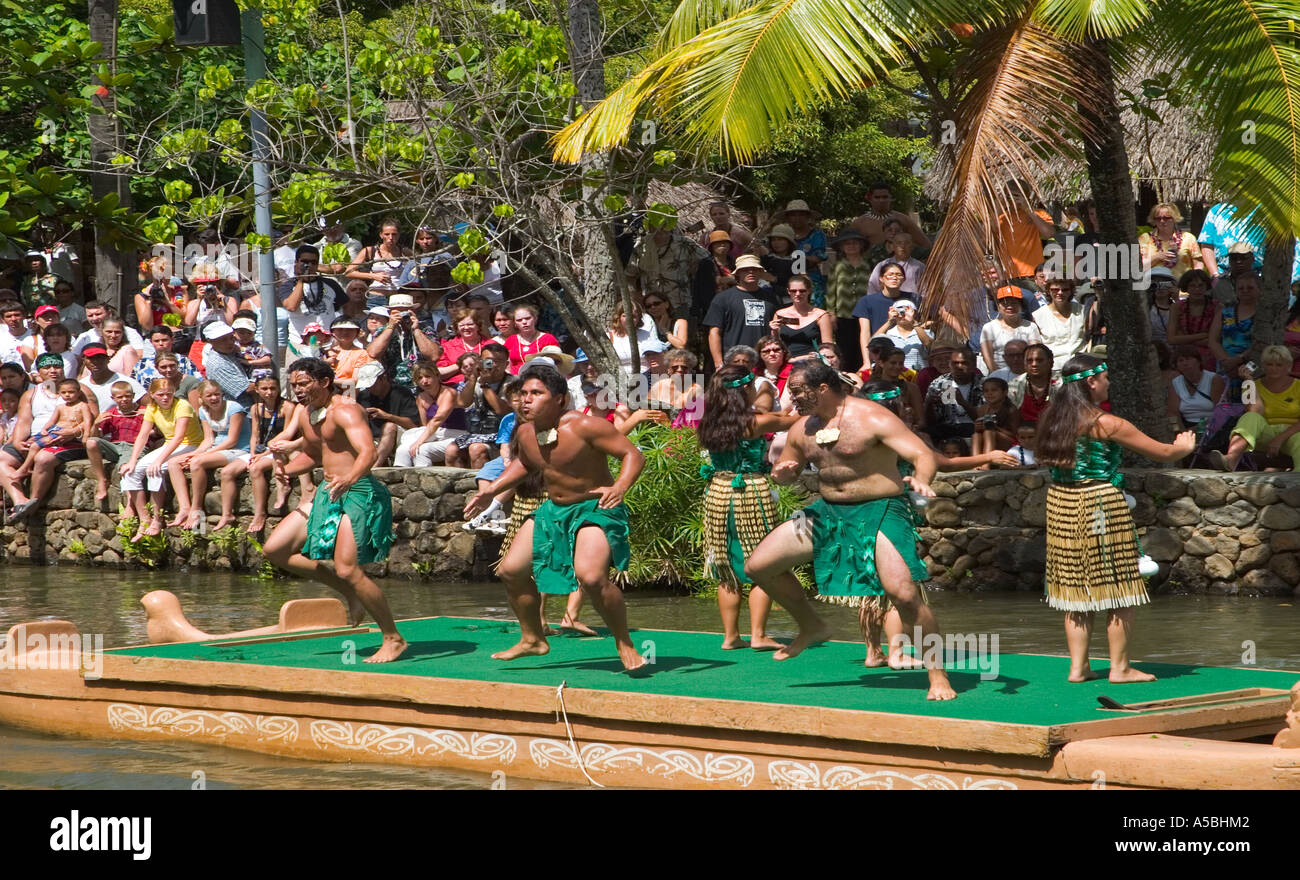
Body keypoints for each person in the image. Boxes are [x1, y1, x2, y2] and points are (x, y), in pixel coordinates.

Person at [743, 360, 956, 700]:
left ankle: (938, 675)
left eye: (798, 391)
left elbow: (921, 453)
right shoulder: (802, 428)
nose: (791, 398)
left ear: (823, 388)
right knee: (758, 565)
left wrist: (922, 478)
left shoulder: (872, 417)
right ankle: (812, 625)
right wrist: (784, 474)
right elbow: (791, 466)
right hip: (826, 512)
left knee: (903, 595)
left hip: (880, 510)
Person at [463, 364, 648, 672]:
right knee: (511, 571)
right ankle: (533, 638)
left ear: (560, 399)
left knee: (590, 576)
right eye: (523, 393)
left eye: (536, 393)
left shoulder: (584, 425)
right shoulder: (525, 431)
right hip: (552, 510)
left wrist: (620, 486)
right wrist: (491, 491)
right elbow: (526, 463)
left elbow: (633, 455)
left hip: (593, 507)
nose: (526, 400)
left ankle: (624, 643)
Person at [1038, 355, 1194, 683]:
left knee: (1075, 588)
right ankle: (1120, 668)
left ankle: (1078, 668)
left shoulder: (1053, 419)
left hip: (1062, 504)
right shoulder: (1105, 422)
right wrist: (1183, 447)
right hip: (1099, 504)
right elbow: (1163, 453)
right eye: (1106, 376)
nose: (1109, 382)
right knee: (1119, 586)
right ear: (1091, 382)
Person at [263, 357, 407, 662]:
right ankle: (349, 591)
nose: (297, 390)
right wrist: (287, 469)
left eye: (303, 384)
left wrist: (349, 477)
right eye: (294, 385)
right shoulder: (307, 413)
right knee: (275, 549)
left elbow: (368, 451)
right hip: (329, 493)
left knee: (348, 568)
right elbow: (315, 456)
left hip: (357, 492)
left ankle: (393, 638)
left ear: (324, 382)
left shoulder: (346, 410)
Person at [697, 365, 800, 649]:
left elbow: (775, 415)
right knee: (762, 563)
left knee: (728, 567)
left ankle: (730, 636)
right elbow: (793, 420)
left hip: (717, 493)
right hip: (750, 493)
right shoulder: (755, 423)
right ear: (744, 390)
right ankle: (757, 635)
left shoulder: (709, 421)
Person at [118, 377, 204, 540]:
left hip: (191, 444)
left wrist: (159, 460)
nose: (165, 398)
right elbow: (143, 435)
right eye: (161, 394)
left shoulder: (182, 405)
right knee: (131, 472)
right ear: (152, 395)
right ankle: (144, 520)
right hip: (170, 445)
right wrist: (133, 460)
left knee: (155, 470)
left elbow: (179, 437)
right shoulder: (152, 407)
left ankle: (157, 519)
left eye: (169, 394)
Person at [168, 379, 251, 529]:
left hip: (238, 449)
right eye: (209, 396)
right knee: (174, 463)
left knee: (197, 463)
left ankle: (196, 508)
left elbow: (232, 440)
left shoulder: (234, 409)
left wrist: (201, 456)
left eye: (217, 394)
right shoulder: (203, 410)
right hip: (216, 447)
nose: (214, 398)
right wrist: (197, 452)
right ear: (201, 397)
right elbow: (208, 439)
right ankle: (184, 507)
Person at [1212, 346, 1300, 471]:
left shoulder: (1298, 386)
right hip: (1265, 433)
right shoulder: (1250, 385)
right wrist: (1249, 381)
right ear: (1263, 366)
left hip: (1293, 434)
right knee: (1250, 416)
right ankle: (1231, 459)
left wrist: (1279, 439)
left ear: (1288, 366)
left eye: (1279, 365)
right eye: (1269, 364)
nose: (1274, 368)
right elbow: (1255, 411)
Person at [10, 379, 92, 480]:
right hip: (54, 429)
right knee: (29, 443)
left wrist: (86, 435)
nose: (67, 395)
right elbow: (52, 421)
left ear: (78, 393)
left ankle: (24, 469)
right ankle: (31, 467)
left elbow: (88, 421)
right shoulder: (60, 407)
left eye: (71, 392)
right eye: (64, 392)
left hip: (63, 432)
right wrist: (44, 429)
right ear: (59, 393)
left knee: (35, 446)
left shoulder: (83, 406)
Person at [446, 347, 510, 468]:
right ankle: (457, 485)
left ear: (506, 364)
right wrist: (473, 378)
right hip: (478, 432)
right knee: (451, 451)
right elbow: (463, 403)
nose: (494, 365)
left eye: (499, 361)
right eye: (489, 361)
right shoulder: (476, 381)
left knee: (476, 449)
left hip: (502, 435)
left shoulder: (513, 382)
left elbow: (501, 410)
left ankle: (477, 485)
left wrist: (485, 384)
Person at [368, 293, 442, 391]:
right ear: (389, 313)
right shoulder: (382, 331)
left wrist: (416, 330)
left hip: (422, 388)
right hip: (394, 389)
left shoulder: (425, 329)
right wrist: (391, 326)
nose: (402, 316)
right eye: (398, 312)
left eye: (405, 312)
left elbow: (434, 356)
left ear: (413, 311)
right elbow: (373, 353)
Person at [354, 361, 419, 466]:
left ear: (383, 378)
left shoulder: (402, 393)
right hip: (373, 440)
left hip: (401, 438)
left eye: (373, 384)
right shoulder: (364, 396)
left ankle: (373, 468)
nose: (370, 388)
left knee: (390, 426)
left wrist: (386, 416)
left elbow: (413, 425)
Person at [825, 229, 873, 371]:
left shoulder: (869, 265)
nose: (851, 246)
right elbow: (831, 291)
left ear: (861, 246)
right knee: (845, 350)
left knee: (863, 347)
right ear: (841, 247)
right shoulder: (837, 266)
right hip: (843, 315)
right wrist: (831, 313)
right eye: (847, 243)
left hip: (865, 315)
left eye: (855, 243)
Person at [923, 348, 982, 443]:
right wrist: (929, 403)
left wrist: (963, 403)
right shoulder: (939, 383)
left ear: (973, 365)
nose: (959, 367)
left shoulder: (982, 384)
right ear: (950, 365)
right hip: (947, 429)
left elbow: (982, 418)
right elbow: (930, 422)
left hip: (974, 428)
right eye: (955, 363)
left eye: (964, 363)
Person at [347, 219, 412, 304]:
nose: (390, 238)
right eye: (387, 234)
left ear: (399, 235)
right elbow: (349, 272)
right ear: (381, 235)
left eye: (394, 234)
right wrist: (373, 276)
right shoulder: (370, 251)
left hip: (397, 297)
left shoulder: (405, 252)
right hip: (376, 297)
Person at [776, 200, 828, 307]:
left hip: (811, 278)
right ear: (788, 217)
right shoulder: (781, 234)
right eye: (793, 215)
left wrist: (797, 260)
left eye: (801, 215)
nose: (797, 218)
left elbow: (818, 256)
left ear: (808, 217)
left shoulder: (817, 234)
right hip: (784, 279)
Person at [980, 286, 1042, 374]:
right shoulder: (989, 328)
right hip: (998, 375)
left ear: (1021, 305)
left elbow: (1035, 352)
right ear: (998, 306)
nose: (1010, 306)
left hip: (1026, 374)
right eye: (1005, 303)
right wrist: (999, 375)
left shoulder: (1031, 327)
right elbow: (987, 357)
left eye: (1014, 303)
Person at [768, 274, 832, 358]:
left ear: (809, 291)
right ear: (788, 291)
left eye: (802, 291)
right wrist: (775, 332)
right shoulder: (780, 314)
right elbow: (775, 345)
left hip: (812, 362)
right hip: (786, 362)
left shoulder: (821, 315)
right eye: (793, 291)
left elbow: (828, 347)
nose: (797, 294)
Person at [850, 183, 929, 249]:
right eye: (877, 197)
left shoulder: (903, 220)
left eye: (885, 197)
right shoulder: (859, 223)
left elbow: (926, 245)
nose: (881, 200)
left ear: (891, 198)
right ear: (870, 198)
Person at [1032, 276, 1088, 368]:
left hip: (1080, 366)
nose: (1060, 293)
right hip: (1053, 367)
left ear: (1071, 291)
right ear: (1048, 291)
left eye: (1065, 289)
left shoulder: (1082, 310)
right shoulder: (1038, 315)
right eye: (1055, 289)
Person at [1167, 269, 1218, 370]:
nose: (1197, 289)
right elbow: (1171, 339)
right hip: (1183, 356)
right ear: (1186, 287)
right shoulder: (1177, 307)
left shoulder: (1216, 306)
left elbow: (1214, 340)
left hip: (1210, 357)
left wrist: (1184, 338)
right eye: (1192, 286)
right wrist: (1202, 336)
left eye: (1201, 285)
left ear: (1206, 287)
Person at [1167, 344, 1223, 430]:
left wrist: (1197, 429)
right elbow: (1173, 413)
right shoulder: (1175, 382)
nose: (1185, 363)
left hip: (1212, 425)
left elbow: (1220, 411)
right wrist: (1179, 432)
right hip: (1186, 426)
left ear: (1199, 361)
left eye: (1188, 359)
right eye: (1181, 360)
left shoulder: (1213, 379)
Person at [1138, 203, 1202, 279]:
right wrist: (1157, 257)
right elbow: (1137, 269)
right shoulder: (1144, 238)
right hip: (1154, 287)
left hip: (1183, 288)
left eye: (1166, 218)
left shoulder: (1188, 238)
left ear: (1175, 218)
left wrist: (1195, 282)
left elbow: (1198, 264)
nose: (1162, 221)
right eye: (1158, 218)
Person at [199, 322, 255, 407]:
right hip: (241, 412)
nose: (230, 342)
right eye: (223, 340)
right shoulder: (217, 365)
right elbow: (247, 389)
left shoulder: (229, 352)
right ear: (211, 341)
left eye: (231, 338)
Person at [434, 308, 488, 385]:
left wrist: (479, 364)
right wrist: (460, 365)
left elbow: (495, 365)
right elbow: (439, 373)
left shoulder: (490, 344)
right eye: (462, 325)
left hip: (483, 385)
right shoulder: (448, 346)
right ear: (457, 328)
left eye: (470, 324)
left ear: (478, 325)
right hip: (456, 388)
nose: (466, 328)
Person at [875, 298, 931, 370]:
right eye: (899, 311)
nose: (902, 314)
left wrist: (913, 322)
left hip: (919, 376)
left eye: (906, 311)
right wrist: (889, 321)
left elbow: (928, 344)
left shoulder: (925, 332)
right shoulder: (888, 334)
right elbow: (873, 343)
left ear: (915, 313)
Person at [502, 304, 558, 374]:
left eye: (528, 318)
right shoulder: (511, 340)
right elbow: (505, 363)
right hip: (516, 381)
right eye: (519, 320)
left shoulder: (548, 339)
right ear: (515, 323)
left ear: (535, 318)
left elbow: (557, 363)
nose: (524, 322)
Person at [971, 376, 1019, 455]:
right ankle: (975, 463)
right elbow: (979, 431)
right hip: (989, 438)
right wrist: (978, 427)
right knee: (976, 435)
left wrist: (995, 428)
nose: (990, 393)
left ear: (1005, 392)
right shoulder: (982, 409)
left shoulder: (1011, 410)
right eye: (986, 391)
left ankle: (986, 464)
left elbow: (1016, 436)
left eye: (994, 390)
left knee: (989, 433)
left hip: (1010, 442)